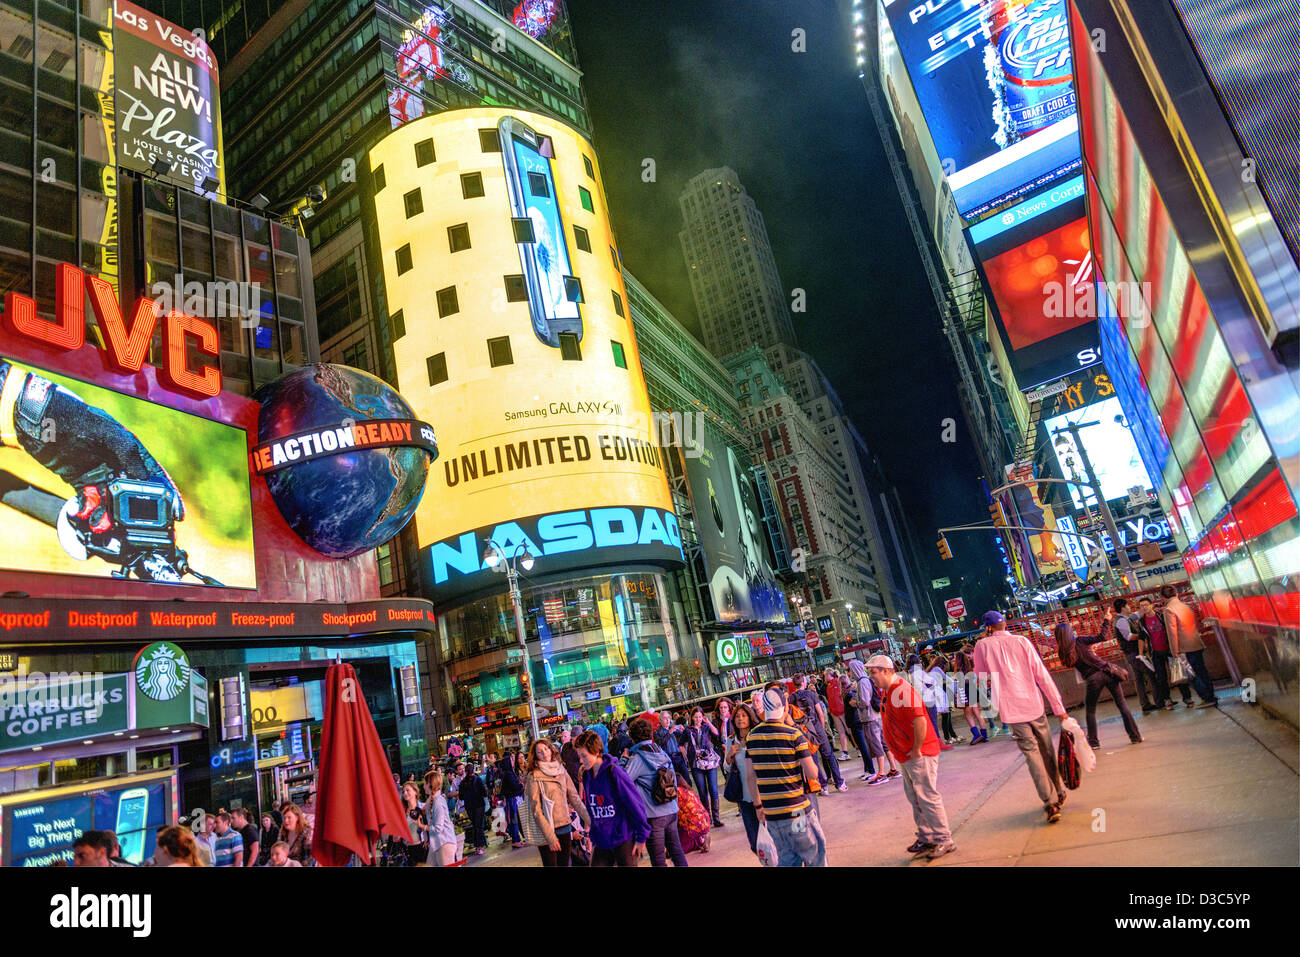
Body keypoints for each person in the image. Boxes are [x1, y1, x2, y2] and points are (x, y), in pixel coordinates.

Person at [972, 610, 1070, 824]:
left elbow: (979, 676)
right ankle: (1059, 791)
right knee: (1046, 749)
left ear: (987, 628)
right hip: (1034, 704)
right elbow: (1041, 675)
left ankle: (1049, 802)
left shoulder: (982, 646)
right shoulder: (1022, 641)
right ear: (1005, 624)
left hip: (1012, 710)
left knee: (1031, 753)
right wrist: (1058, 706)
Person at [868, 654, 955, 860]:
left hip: (919, 754)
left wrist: (916, 749)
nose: (871, 677)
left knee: (927, 796)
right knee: (916, 797)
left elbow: (920, 721)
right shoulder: (888, 691)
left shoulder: (902, 690)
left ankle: (943, 839)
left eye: (873, 673)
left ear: (887, 671)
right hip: (906, 755)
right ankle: (927, 837)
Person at [744, 685, 828, 866]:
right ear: (784, 707)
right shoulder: (793, 735)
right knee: (815, 856)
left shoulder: (752, 737)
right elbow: (812, 773)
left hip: (772, 813)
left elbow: (750, 777)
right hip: (797, 811)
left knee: (787, 860)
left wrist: (758, 806)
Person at [1054, 608, 1142, 748]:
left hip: (1092, 679)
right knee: (1122, 704)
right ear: (1070, 632)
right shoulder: (1081, 640)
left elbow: (1076, 660)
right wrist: (1107, 619)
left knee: (1090, 710)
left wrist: (1089, 652)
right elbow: (1102, 636)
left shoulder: (1063, 652)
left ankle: (1094, 742)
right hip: (1108, 672)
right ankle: (1135, 737)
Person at [575, 730, 649, 866]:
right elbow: (591, 808)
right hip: (602, 840)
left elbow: (635, 804)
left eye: (584, 756)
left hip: (622, 838)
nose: (580, 760)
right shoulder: (587, 776)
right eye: (579, 756)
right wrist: (593, 832)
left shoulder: (614, 772)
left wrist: (641, 836)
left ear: (596, 752)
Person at [624, 717, 688, 867]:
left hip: (654, 815)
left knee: (658, 859)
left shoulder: (637, 758)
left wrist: (623, 760)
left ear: (632, 738)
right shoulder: (661, 752)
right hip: (672, 810)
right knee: (677, 852)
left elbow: (623, 781)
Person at [523, 738, 589, 867]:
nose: (544, 753)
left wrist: (590, 821)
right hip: (546, 831)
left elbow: (575, 798)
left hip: (564, 826)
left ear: (551, 750)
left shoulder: (561, 770)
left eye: (546, 749)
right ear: (535, 755)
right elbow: (536, 811)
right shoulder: (534, 776)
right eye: (539, 752)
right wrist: (550, 837)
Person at [1162, 584, 1218, 708]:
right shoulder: (1185, 606)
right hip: (1196, 643)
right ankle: (1211, 695)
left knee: (1191, 675)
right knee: (1202, 671)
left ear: (1162, 597)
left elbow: (1172, 632)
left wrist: (1174, 650)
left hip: (1184, 648)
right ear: (1176, 594)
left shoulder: (1168, 610)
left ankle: (1207, 697)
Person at [790, 673, 848, 792]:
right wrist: (822, 729)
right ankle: (839, 783)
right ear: (804, 682)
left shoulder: (791, 698)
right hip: (818, 729)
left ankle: (823, 786)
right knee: (829, 756)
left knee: (814, 760)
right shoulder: (811, 694)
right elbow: (821, 714)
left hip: (805, 733)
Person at [1138, 596, 1193, 710]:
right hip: (1156, 653)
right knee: (1161, 678)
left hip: (1169, 649)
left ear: (1152, 605)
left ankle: (1187, 698)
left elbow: (1173, 629)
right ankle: (1167, 700)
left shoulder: (1161, 616)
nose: (1144, 608)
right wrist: (1141, 654)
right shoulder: (1142, 621)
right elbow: (1141, 637)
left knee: (1178, 674)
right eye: (1141, 606)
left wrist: (1176, 646)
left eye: (1146, 605)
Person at [849, 659, 897, 784]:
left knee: (877, 745)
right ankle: (893, 769)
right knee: (884, 743)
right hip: (877, 716)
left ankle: (881, 774)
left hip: (870, 718)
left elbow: (864, 701)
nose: (849, 673)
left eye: (850, 670)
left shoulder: (862, 682)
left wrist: (855, 703)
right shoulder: (867, 680)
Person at [724, 702, 763, 854]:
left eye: (744, 715)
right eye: (737, 716)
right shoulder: (731, 741)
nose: (740, 719)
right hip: (744, 797)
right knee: (754, 843)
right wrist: (729, 756)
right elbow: (727, 768)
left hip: (763, 795)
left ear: (750, 717)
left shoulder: (758, 736)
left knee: (771, 838)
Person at [1113, 597, 1156, 713]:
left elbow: (1137, 614)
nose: (1129, 607)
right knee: (1151, 673)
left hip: (1131, 653)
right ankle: (1159, 700)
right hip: (1133, 653)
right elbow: (1129, 637)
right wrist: (1143, 635)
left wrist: (1146, 607)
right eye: (1127, 606)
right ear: (1123, 608)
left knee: (1139, 679)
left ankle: (1145, 703)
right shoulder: (1121, 621)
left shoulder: (1125, 618)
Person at [685, 707, 726, 826]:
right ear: (692, 718)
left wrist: (707, 722)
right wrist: (686, 756)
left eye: (700, 717)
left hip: (709, 761)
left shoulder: (706, 727)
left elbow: (716, 733)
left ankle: (716, 818)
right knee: (702, 791)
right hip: (696, 764)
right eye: (696, 717)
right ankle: (708, 818)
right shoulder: (688, 730)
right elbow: (681, 745)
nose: (698, 719)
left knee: (713, 788)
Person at [953, 645, 989, 743]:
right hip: (974, 690)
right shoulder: (971, 667)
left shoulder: (959, 670)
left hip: (965, 692)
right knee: (977, 714)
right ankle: (985, 736)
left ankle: (977, 735)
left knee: (968, 715)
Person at [424, 769, 459, 866]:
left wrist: (423, 827)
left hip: (444, 843)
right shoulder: (434, 800)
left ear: (430, 784)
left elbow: (438, 828)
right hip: (437, 843)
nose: (423, 786)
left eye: (425, 783)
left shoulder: (438, 802)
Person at [841, 672, 874, 774]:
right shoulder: (850, 693)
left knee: (863, 747)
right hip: (855, 722)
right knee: (862, 747)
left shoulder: (851, 694)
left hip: (856, 722)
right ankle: (867, 770)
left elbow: (854, 703)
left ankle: (871, 771)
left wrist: (859, 698)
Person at [457, 760, 489, 855]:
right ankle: (479, 846)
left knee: (475, 826)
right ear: (473, 770)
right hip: (479, 805)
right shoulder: (477, 779)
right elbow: (484, 792)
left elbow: (461, 796)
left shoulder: (463, 783)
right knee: (479, 826)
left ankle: (479, 845)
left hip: (469, 807)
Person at [496, 750, 526, 848]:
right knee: (514, 820)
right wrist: (520, 785)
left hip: (512, 799)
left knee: (515, 820)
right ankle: (515, 840)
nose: (514, 762)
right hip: (511, 799)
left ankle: (517, 839)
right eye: (512, 761)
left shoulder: (508, 772)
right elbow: (516, 785)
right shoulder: (508, 773)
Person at [654, 709, 692, 785]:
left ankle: (689, 796)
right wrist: (669, 732)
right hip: (668, 760)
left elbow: (686, 738)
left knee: (687, 781)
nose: (668, 720)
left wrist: (684, 730)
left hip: (679, 757)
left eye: (669, 718)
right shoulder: (657, 732)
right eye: (665, 718)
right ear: (660, 721)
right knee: (674, 782)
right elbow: (659, 743)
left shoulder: (674, 728)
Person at [824, 669, 851, 760]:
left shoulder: (837, 682)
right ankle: (845, 752)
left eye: (825, 675)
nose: (824, 677)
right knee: (842, 732)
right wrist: (831, 711)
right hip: (835, 712)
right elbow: (830, 699)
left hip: (842, 711)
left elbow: (841, 696)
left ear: (828, 675)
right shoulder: (829, 686)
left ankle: (859, 748)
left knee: (849, 731)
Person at [560, 725, 585, 791]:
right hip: (570, 781)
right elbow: (562, 761)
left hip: (582, 781)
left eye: (577, 739)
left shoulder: (584, 748)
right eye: (573, 739)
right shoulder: (566, 747)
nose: (575, 742)